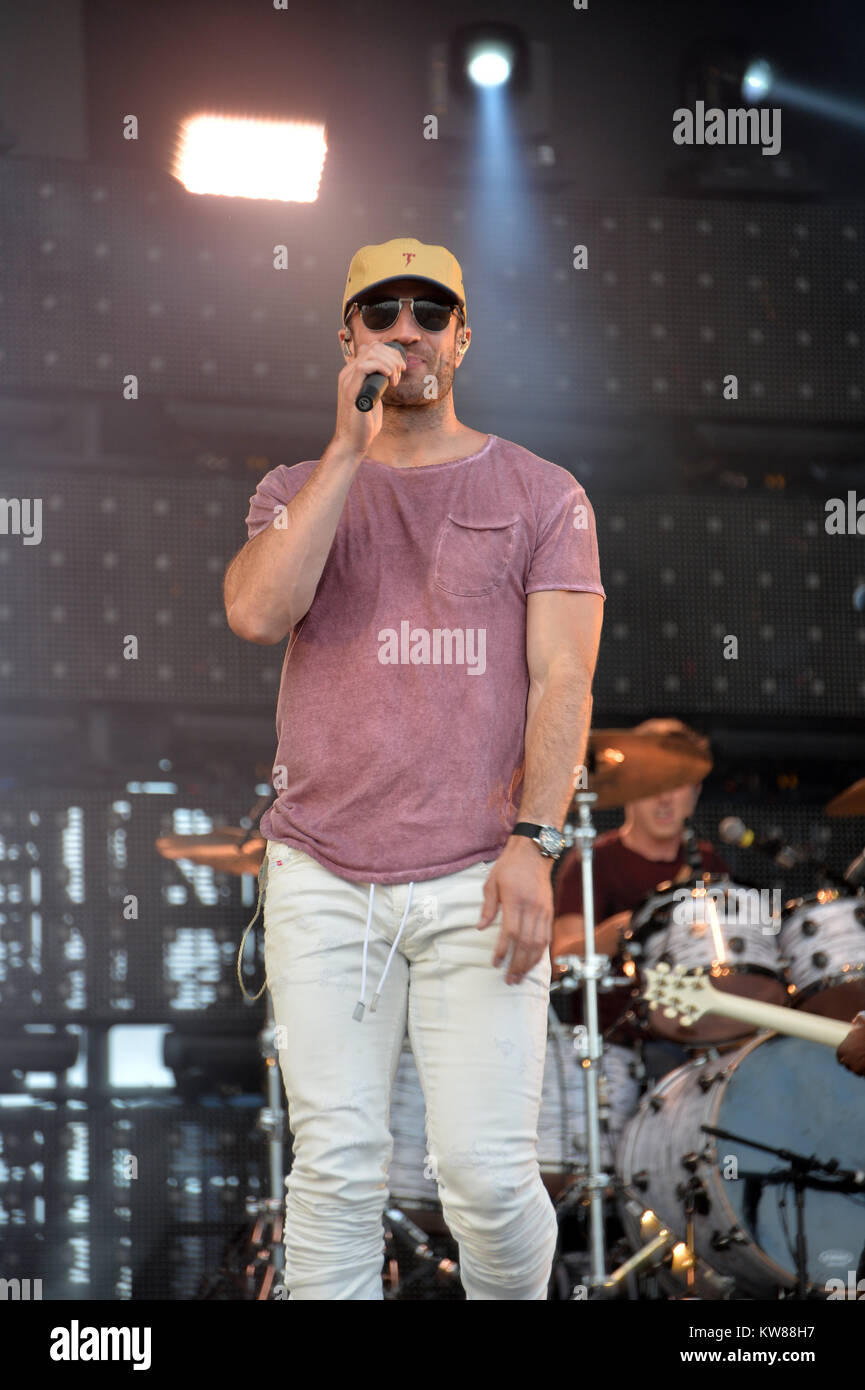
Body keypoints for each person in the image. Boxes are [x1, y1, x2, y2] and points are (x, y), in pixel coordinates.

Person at [223, 237, 605, 1300]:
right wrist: (346, 454)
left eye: (428, 314)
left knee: (482, 1174)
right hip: (323, 872)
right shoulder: (295, 486)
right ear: (347, 338)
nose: (407, 331)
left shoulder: (543, 493)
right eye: (381, 314)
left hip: (478, 871)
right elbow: (257, 610)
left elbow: (563, 682)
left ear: (462, 337)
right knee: (335, 1170)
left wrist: (534, 843)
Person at [552, 718, 730, 1074]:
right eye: (654, 781)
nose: (665, 798)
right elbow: (559, 961)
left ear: (694, 794)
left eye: (677, 782)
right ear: (626, 787)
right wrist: (629, 927)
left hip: (700, 1042)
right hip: (616, 1050)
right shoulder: (590, 861)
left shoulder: (709, 864)